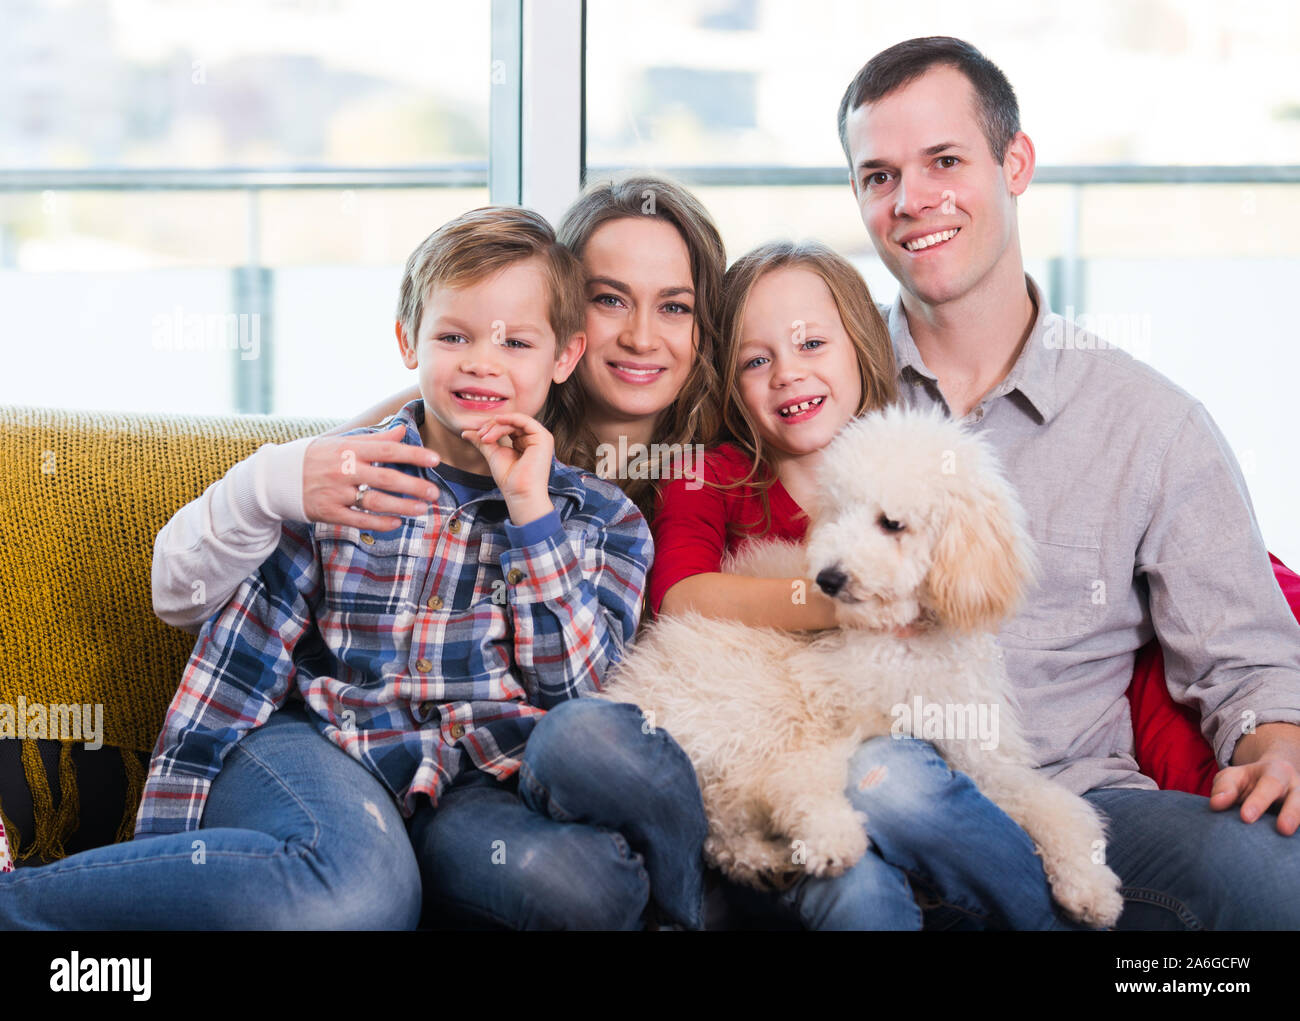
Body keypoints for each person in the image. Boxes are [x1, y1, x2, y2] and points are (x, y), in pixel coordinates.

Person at [0, 206, 708, 930]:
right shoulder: (347, 475)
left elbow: (575, 691)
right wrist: (176, 826)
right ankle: (13, 900)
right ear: (409, 341)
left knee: (585, 887)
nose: (482, 362)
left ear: (562, 356)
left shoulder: (603, 518)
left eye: (516, 341)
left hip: (471, 784)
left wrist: (532, 516)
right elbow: (236, 651)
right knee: (360, 896)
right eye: (454, 336)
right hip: (324, 740)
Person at [837, 36, 1300, 927]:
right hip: (876, 796)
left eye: (943, 161)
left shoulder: (1150, 423)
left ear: (1016, 163)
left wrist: (1276, 744)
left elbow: (1249, 660)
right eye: (879, 177)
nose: (912, 201)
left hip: (1080, 806)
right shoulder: (824, 393)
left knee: (1275, 876)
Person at [648, 238, 1092, 930]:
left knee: (919, 784)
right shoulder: (716, 476)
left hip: (886, 764)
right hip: (790, 759)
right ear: (730, 382)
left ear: (862, 345)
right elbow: (681, 598)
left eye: (812, 344)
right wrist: (836, 606)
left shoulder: (920, 460)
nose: (787, 375)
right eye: (756, 361)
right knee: (881, 826)